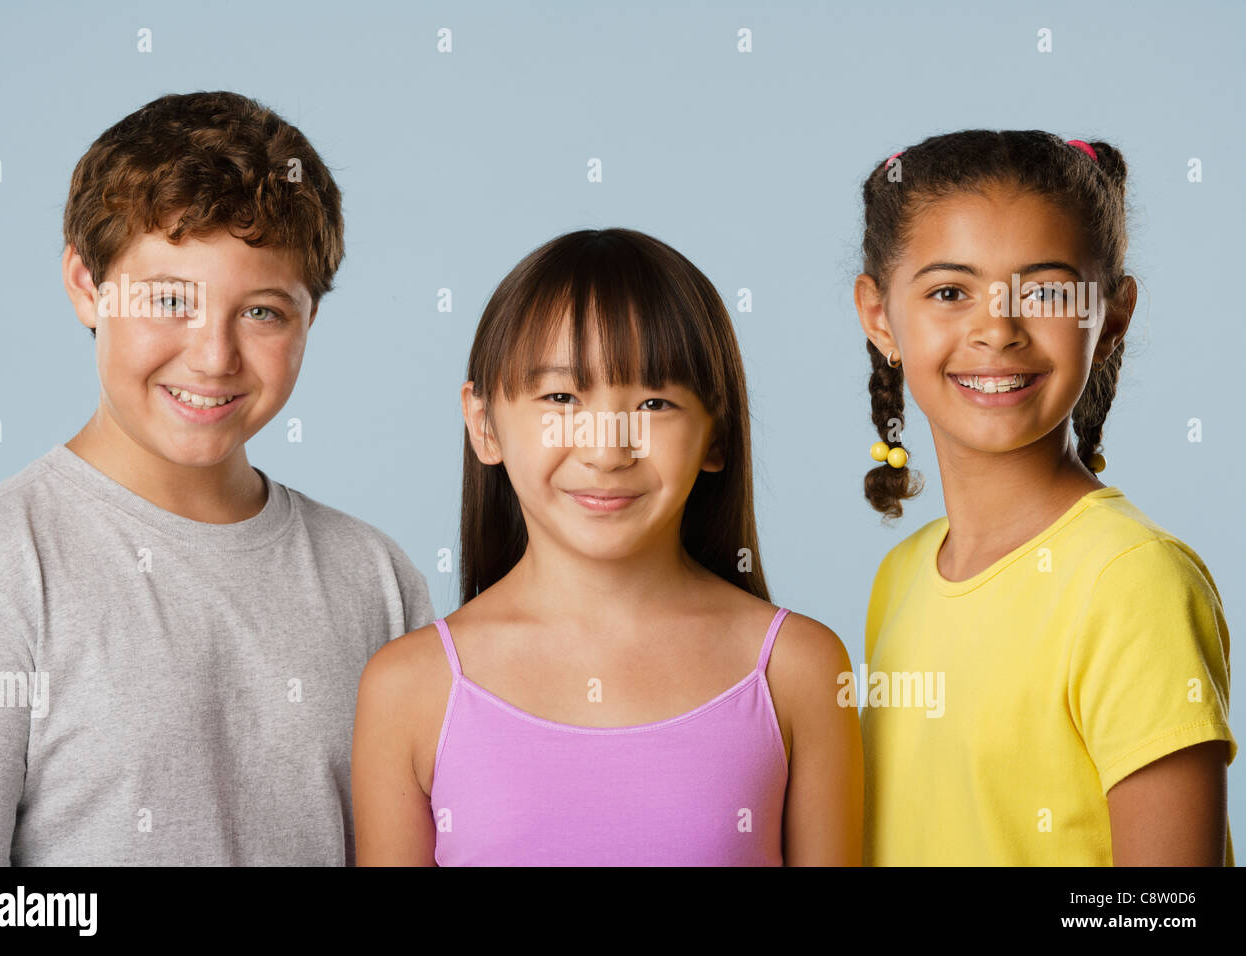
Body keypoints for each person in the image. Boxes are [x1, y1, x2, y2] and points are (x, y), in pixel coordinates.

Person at [0, 91, 434, 865]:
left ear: (310, 317)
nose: (214, 357)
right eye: (170, 300)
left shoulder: (375, 578)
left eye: (263, 313)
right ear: (86, 286)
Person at [353, 227, 862, 865]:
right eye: (561, 397)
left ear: (716, 438)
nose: (606, 450)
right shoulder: (407, 687)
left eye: (653, 402)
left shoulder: (799, 670)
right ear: (484, 426)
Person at [854, 129, 1235, 865]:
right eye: (948, 292)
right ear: (878, 317)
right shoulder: (899, 577)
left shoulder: (1131, 580)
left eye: (1048, 292)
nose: (997, 330)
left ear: (1113, 315)